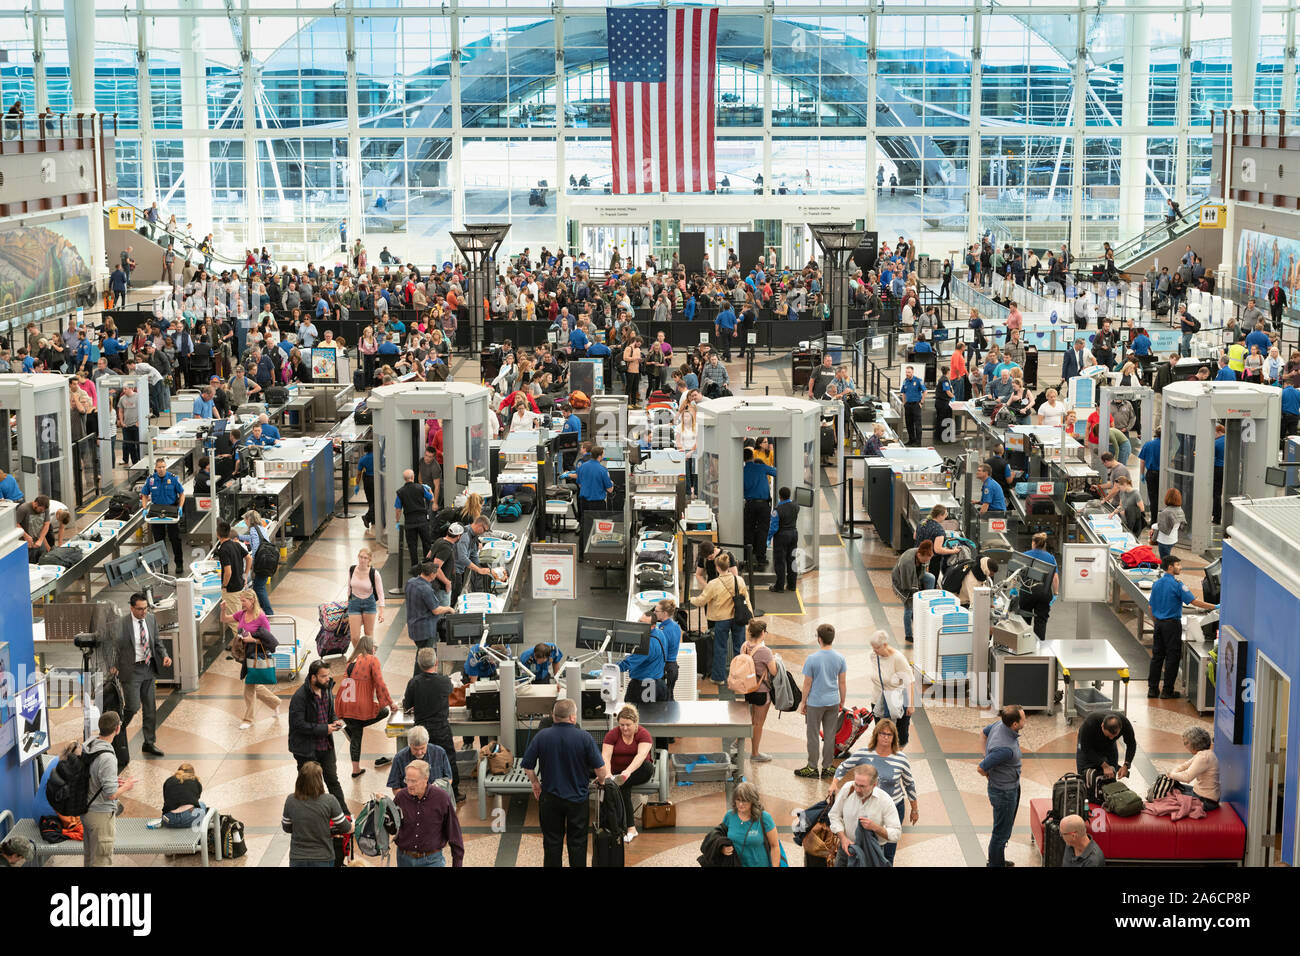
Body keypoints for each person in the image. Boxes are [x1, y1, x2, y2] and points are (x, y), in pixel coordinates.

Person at [522, 698, 608, 867]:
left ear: (554, 716)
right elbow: (600, 769)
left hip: (550, 799)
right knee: (578, 843)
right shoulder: (584, 737)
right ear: (573, 717)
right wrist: (602, 781)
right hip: (577, 799)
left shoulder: (542, 736)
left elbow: (528, 766)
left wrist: (535, 783)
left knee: (552, 842)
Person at [832, 719, 916, 862]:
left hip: (893, 804)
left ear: (894, 737)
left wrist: (915, 809)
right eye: (882, 733)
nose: (885, 737)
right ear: (876, 735)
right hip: (866, 802)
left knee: (887, 851)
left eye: (889, 735)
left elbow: (909, 784)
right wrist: (834, 784)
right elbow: (843, 767)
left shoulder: (901, 758)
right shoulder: (864, 753)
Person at [110, 592, 171, 758]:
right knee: (133, 706)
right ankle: (116, 733)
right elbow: (114, 647)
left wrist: (164, 655)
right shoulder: (122, 623)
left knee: (150, 709)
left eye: (145, 608)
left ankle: (149, 743)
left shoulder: (150, 619)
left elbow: (157, 642)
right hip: (131, 670)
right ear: (131, 608)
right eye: (139, 609)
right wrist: (114, 665)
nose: (143, 612)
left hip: (148, 668)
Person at [1147, 554, 1215, 699]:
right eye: (1178, 565)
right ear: (1170, 567)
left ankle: (1152, 690)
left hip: (1159, 624)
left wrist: (1156, 622)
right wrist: (1214, 606)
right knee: (1172, 657)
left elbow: (1150, 606)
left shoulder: (1157, 584)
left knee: (1157, 657)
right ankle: (1167, 691)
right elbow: (1194, 602)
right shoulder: (1178, 585)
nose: (1181, 567)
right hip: (1172, 625)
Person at [288, 660, 349, 812]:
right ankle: (312, 818)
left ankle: (345, 816)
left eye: (328, 675)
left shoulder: (327, 688)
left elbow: (330, 711)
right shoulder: (300, 697)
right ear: (313, 677)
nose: (328, 679)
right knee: (310, 787)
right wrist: (324, 729)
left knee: (333, 781)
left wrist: (334, 720)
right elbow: (298, 725)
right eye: (323, 676)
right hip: (306, 749)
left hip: (325, 746)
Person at [403, 647, 462, 802]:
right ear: (436, 662)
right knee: (448, 759)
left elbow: (407, 704)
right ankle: (454, 792)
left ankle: (420, 792)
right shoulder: (443, 681)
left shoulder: (414, 683)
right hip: (441, 728)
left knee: (420, 761)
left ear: (419, 664)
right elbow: (450, 689)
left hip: (422, 731)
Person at [220, 589, 281, 729]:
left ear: (252, 600)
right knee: (254, 684)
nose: (241, 603)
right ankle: (275, 702)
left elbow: (269, 640)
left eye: (243, 601)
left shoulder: (260, 617)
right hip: (246, 654)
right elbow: (224, 619)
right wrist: (223, 610)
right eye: (241, 600)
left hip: (256, 654)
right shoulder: (241, 614)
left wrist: (252, 639)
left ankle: (248, 719)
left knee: (248, 688)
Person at [335, 635, 393, 779]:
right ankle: (352, 729)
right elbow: (380, 683)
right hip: (359, 704)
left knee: (356, 733)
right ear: (369, 647)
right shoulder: (372, 659)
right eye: (374, 646)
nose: (375, 649)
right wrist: (390, 703)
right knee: (384, 711)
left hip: (344, 702)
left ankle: (356, 770)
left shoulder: (350, 661)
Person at [83, 712, 136, 866]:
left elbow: (93, 775)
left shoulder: (90, 744)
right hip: (100, 814)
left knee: (90, 858)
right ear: (117, 729)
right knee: (101, 860)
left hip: (86, 810)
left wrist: (112, 781)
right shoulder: (108, 757)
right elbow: (111, 794)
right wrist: (126, 786)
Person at [796, 624, 847, 780]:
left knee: (812, 735)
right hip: (833, 701)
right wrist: (842, 701)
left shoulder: (812, 659)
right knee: (830, 734)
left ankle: (812, 767)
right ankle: (827, 767)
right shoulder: (840, 658)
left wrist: (803, 702)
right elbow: (842, 683)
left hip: (815, 702)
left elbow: (807, 684)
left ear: (819, 639)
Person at [690, 551, 748, 684]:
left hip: (721, 619)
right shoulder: (739, 580)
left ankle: (718, 677)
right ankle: (740, 676)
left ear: (717, 567)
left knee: (720, 648)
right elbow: (746, 599)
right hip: (738, 618)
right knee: (740, 647)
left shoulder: (714, 583)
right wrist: (749, 614)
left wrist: (691, 599)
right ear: (728, 566)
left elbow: (702, 601)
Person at [281, 760, 351, 868]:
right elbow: (345, 828)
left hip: (297, 857)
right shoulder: (330, 800)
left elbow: (286, 827)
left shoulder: (291, 800)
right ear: (319, 780)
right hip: (323, 857)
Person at [979, 704, 1025, 868]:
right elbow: (981, 768)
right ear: (1014, 724)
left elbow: (983, 733)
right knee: (1001, 832)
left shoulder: (1000, 724)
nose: (1025, 719)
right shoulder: (1004, 749)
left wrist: (986, 754)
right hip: (1004, 793)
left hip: (1011, 786)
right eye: (1023, 717)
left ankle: (997, 859)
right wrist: (989, 772)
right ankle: (995, 864)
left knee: (1003, 827)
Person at [600, 704, 654, 843]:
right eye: (621, 724)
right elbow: (605, 756)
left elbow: (641, 756)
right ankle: (630, 828)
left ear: (635, 723)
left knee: (622, 783)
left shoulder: (643, 734)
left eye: (628, 725)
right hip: (619, 773)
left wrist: (628, 772)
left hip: (639, 770)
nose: (624, 728)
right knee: (622, 786)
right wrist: (608, 773)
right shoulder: (613, 734)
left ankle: (624, 826)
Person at [828, 764, 900, 866]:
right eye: (856, 784)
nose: (857, 789)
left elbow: (896, 833)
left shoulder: (885, 800)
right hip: (846, 849)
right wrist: (843, 838)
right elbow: (834, 815)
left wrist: (876, 828)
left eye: (862, 786)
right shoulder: (848, 789)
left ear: (874, 785)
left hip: (872, 853)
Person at [735, 619, 777, 762]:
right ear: (762, 633)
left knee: (749, 718)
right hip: (761, 690)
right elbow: (774, 671)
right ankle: (755, 754)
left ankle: (737, 742)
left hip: (748, 688)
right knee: (758, 723)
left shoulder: (744, 646)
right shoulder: (765, 651)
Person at [864, 633, 915, 748]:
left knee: (900, 737)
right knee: (881, 736)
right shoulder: (873, 656)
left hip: (897, 701)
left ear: (885, 644)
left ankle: (896, 760)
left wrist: (911, 704)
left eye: (877, 648)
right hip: (878, 701)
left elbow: (910, 681)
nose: (874, 651)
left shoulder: (898, 658)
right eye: (873, 648)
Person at [719, 781, 783, 867]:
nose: (740, 804)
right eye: (738, 800)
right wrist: (722, 849)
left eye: (744, 800)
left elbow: (775, 846)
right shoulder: (729, 816)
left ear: (752, 801)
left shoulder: (764, 817)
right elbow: (720, 838)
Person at [139, 458, 186, 573]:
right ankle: (163, 565)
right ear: (156, 468)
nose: (161, 469)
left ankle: (179, 563)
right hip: (157, 510)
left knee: (175, 539)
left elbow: (181, 493)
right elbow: (144, 494)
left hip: (171, 510)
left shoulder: (173, 478)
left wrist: (180, 507)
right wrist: (145, 509)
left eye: (163, 467)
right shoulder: (151, 480)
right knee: (159, 541)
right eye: (159, 467)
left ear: (166, 467)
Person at [405, 562, 453, 673]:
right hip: (425, 629)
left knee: (421, 653)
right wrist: (448, 608)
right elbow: (436, 610)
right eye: (436, 574)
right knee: (424, 658)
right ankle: (419, 679)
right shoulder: (426, 589)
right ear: (431, 574)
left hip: (413, 626)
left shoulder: (411, 582)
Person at [892, 540, 936, 644]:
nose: (926, 562)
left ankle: (926, 600)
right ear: (919, 555)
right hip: (902, 581)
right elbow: (906, 585)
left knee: (931, 578)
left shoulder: (924, 555)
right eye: (925, 560)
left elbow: (925, 571)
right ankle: (908, 635)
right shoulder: (906, 563)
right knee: (909, 608)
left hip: (915, 576)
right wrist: (916, 596)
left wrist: (921, 593)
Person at [1167, 725, 1220, 811]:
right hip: (1203, 795)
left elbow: (1187, 777)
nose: (1185, 746)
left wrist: (1171, 775)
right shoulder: (1205, 753)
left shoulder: (1203, 757)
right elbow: (1185, 765)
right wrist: (1173, 773)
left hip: (1206, 801)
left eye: (1186, 743)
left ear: (1195, 743)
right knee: (1174, 788)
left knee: (1170, 793)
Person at [1075, 711, 1137, 784]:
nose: (1111, 738)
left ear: (1120, 728)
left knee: (1112, 773)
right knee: (1083, 775)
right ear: (1102, 725)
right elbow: (1086, 748)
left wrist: (1126, 765)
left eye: (1114, 736)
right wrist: (1104, 765)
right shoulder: (1090, 722)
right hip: (1088, 743)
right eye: (1108, 735)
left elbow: (1131, 744)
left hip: (1110, 745)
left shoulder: (1125, 724)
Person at [1018, 532, 1060, 641]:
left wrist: (1013, 588)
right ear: (1044, 544)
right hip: (1044, 592)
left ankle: (1024, 645)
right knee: (1041, 621)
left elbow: (1016, 573)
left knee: (1024, 618)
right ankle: (1039, 648)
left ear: (1033, 543)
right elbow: (1055, 578)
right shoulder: (1050, 557)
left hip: (1027, 591)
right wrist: (1055, 593)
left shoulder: (1025, 555)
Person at [386, 725, 454, 791]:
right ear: (409, 745)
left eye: (422, 748)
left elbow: (449, 779)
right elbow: (395, 788)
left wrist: (436, 792)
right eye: (415, 749)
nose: (419, 752)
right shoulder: (399, 758)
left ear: (427, 743)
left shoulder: (440, 753)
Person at [575, 444, 614, 558]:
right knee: (599, 528)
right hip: (598, 503)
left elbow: (579, 482)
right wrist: (611, 483)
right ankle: (597, 556)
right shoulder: (603, 470)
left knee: (584, 527)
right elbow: (610, 489)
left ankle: (582, 555)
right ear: (600, 456)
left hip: (584, 502)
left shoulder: (582, 466)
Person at [742, 446, 777, 567]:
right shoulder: (761, 467)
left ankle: (747, 557)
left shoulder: (742, 471)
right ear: (752, 457)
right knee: (763, 531)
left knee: (748, 530)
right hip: (763, 505)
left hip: (750, 505)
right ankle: (761, 557)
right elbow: (776, 472)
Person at [394, 467, 435, 569]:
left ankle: (415, 568)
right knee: (426, 544)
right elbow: (432, 498)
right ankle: (427, 566)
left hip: (409, 522)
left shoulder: (400, 492)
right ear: (413, 477)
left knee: (412, 546)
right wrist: (429, 489)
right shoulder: (421, 488)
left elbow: (398, 509)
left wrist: (397, 521)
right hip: (422, 520)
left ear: (404, 479)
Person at [345, 548, 384, 650]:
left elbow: (380, 593)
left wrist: (381, 611)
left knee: (368, 634)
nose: (362, 560)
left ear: (369, 560)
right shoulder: (352, 569)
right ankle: (359, 655)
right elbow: (349, 587)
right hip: (354, 602)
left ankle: (369, 657)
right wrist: (348, 602)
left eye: (365, 558)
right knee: (354, 637)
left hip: (369, 603)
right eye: (361, 557)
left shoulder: (374, 573)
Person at [767, 486, 800, 593]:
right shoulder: (796, 506)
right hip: (794, 534)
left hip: (782, 536)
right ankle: (792, 585)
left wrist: (768, 538)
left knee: (780, 561)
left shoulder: (777, 510)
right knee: (792, 560)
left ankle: (779, 586)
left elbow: (773, 528)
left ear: (779, 496)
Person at [160, 763, 208, 830]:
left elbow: (166, 800)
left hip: (169, 820)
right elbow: (195, 801)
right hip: (187, 818)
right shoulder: (195, 781)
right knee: (202, 805)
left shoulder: (168, 780)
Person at [15, 495, 51, 562]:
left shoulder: (45, 509)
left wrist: (40, 540)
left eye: (43, 511)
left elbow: (46, 524)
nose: (42, 512)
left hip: (39, 541)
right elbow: (16, 524)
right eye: (40, 509)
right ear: (36, 503)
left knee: (43, 561)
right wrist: (26, 536)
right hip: (27, 543)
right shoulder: (23, 509)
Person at [899, 364, 925, 445]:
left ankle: (918, 442)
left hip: (916, 405)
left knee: (917, 424)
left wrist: (921, 402)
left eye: (909, 372)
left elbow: (925, 391)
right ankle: (911, 440)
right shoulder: (905, 381)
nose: (907, 374)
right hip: (908, 405)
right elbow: (903, 392)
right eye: (906, 372)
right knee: (909, 424)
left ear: (912, 372)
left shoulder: (918, 380)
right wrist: (904, 403)